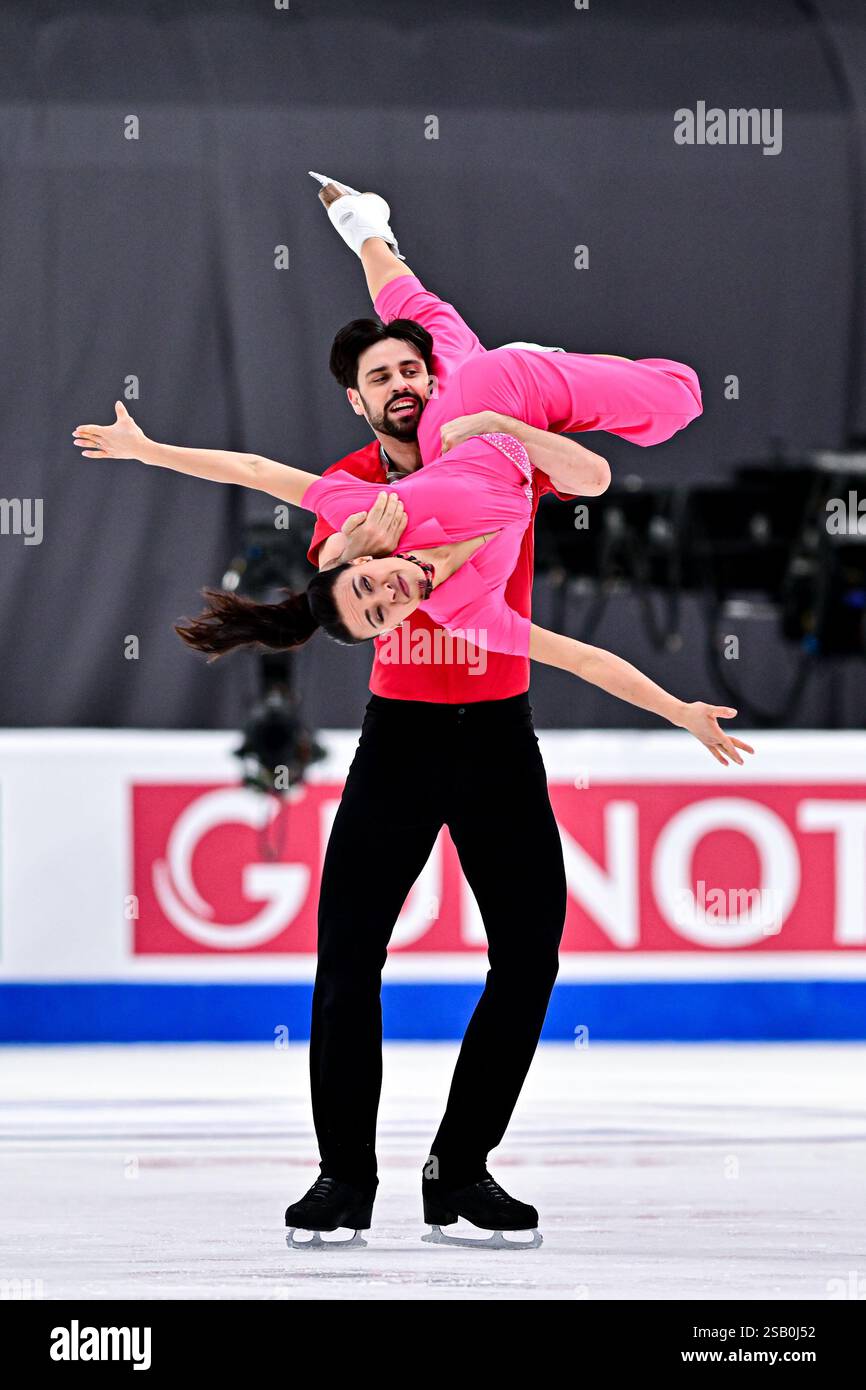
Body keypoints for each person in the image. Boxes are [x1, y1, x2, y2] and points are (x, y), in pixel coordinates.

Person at [71, 180, 751, 1251]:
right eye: (379, 376)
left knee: (529, 957)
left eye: (408, 370)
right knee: (347, 957)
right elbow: (290, 510)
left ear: (427, 381)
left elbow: (421, 305)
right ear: (356, 400)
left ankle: (460, 1163)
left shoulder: (483, 446)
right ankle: (344, 1177)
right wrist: (178, 463)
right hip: (399, 740)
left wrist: (364, 227)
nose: (399, 383)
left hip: (495, 736)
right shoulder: (351, 490)